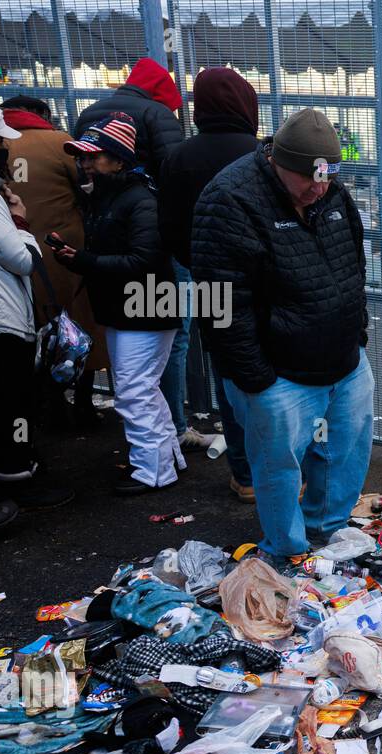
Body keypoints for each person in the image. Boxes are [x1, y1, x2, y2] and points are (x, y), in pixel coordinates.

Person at [193, 108, 374, 562]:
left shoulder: (330, 193)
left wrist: (358, 333)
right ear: (278, 162)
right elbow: (219, 304)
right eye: (308, 180)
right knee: (279, 470)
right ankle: (289, 553)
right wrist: (255, 379)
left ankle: (327, 535)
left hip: (343, 360)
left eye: (328, 177)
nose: (319, 189)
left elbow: (353, 265)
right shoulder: (229, 201)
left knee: (343, 453)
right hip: (278, 374)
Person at [54, 113, 185, 495]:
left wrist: (82, 261)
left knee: (133, 392)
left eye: (94, 157)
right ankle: (165, 462)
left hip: (144, 308)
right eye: (82, 157)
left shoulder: (137, 199)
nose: (85, 163)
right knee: (143, 389)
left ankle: (152, 473)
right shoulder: (112, 196)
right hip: (130, 308)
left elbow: (143, 260)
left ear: (119, 160)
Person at [158, 67, 262, 502]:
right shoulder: (260, 154)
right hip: (261, 287)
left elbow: (169, 229)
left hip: (208, 286)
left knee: (228, 379)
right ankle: (280, 471)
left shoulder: (178, 157)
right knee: (272, 379)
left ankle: (244, 477)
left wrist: (198, 265)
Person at [0, 102, 74, 513]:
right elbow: (20, 258)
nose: (5, 151)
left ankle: (14, 467)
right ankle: (18, 478)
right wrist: (20, 221)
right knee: (12, 399)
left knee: (1, 398)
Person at [0, 95, 106, 428]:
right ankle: (85, 405)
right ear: (40, 115)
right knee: (80, 327)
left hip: (15, 251)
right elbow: (87, 186)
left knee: (38, 329)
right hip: (65, 251)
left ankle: (52, 405)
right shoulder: (58, 142)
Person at [74, 57, 183, 181]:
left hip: (95, 194)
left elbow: (79, 158)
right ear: (161, 92)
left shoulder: (88, 112)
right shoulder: (158, 113)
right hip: (146, 194)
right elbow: (173, 165)